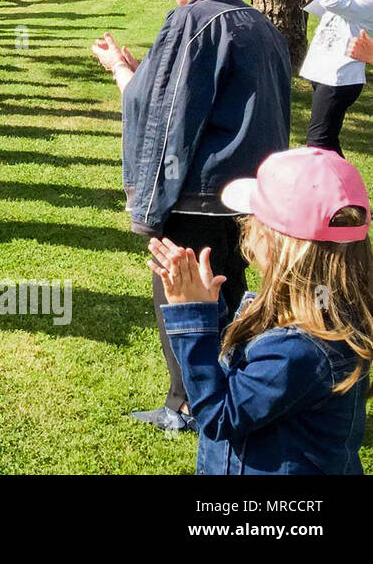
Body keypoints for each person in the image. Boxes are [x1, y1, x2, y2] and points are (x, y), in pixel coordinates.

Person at [91, 0, 292, 432]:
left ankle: (186, 404)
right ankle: (232, 385)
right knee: (229, 290)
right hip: (248, 195)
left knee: (182, 295)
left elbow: (164, 118)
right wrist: (138, 72)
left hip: (195, 194)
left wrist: (119, 71)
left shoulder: (192, 21)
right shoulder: (261, 25)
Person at [150, 146, 373, 474]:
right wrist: (211, 309)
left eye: (253, 218)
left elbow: (220, 414)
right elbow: (241, 376)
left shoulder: (298, 349)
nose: (245, 226)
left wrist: (193, 320)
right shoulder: (327, 315)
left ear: (276, 242)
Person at [293, 0, 373, 157]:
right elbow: (330, 12)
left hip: (339, 79)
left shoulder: (369, 2)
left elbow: (333, 3)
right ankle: (346, 187)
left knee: (317, 142)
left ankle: (328, 187)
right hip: (327, 73)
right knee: (327, 140)